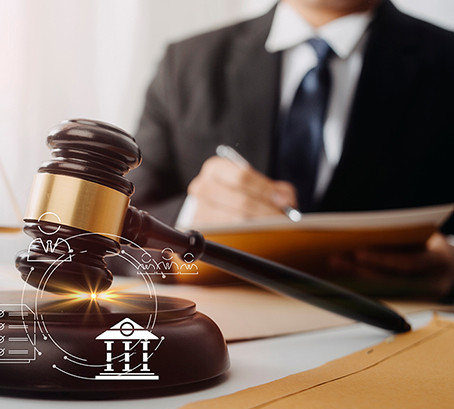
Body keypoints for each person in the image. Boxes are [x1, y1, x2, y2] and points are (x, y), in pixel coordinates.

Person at [129, 0, 454, 298]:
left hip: (395, 331)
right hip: (228, 330)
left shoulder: (446, 61)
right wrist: (188, 224)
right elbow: (112, 223)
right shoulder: (186, 62)